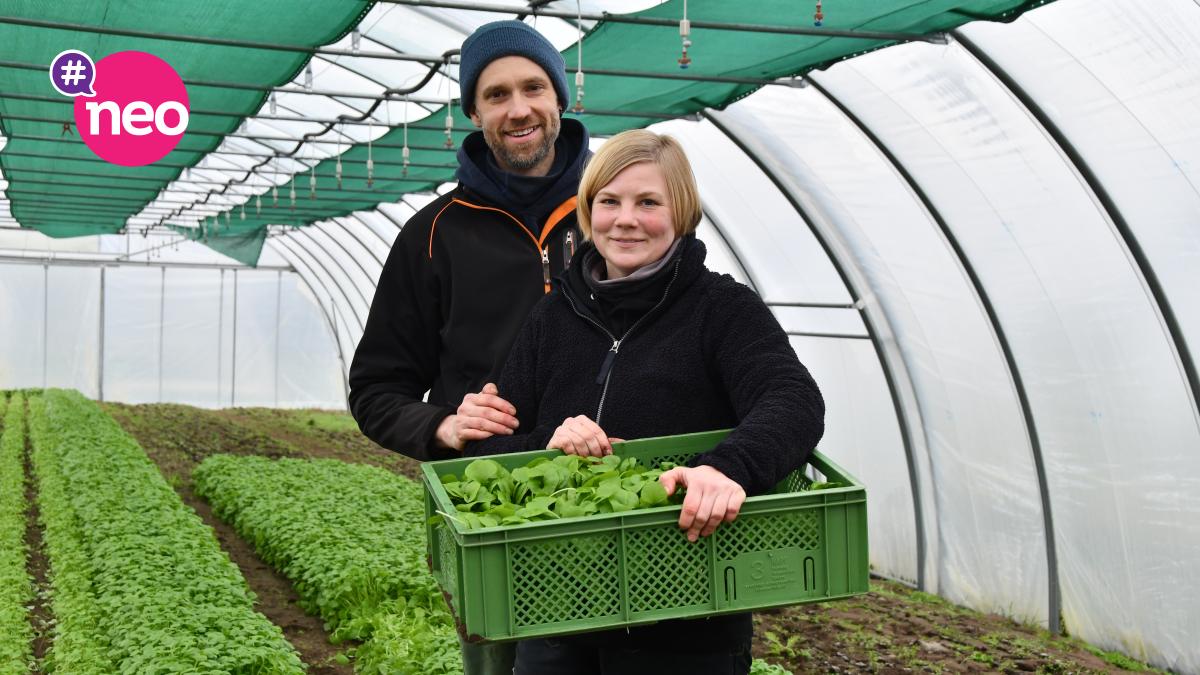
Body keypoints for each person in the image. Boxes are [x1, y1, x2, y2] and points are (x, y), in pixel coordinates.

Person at [465, 129, 825, 674]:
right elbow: (490, 443)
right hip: (556, 616)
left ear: (682, 212)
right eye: (609, 201)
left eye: (649, 202)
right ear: (589, 212)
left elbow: (793, 400)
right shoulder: (553, 317)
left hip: (688, 618)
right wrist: (547, 443)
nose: (625, 220)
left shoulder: (722, 309)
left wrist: (724, 469)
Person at [347, 19, 590, 675]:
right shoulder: (433, 235)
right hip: (492, 509)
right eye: (496, 94)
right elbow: (376, 388)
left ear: (560, 97)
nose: (519, 109)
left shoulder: (618, 214)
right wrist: (443, 425)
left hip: (615, 492)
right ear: (474, 113)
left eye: (533, 87)